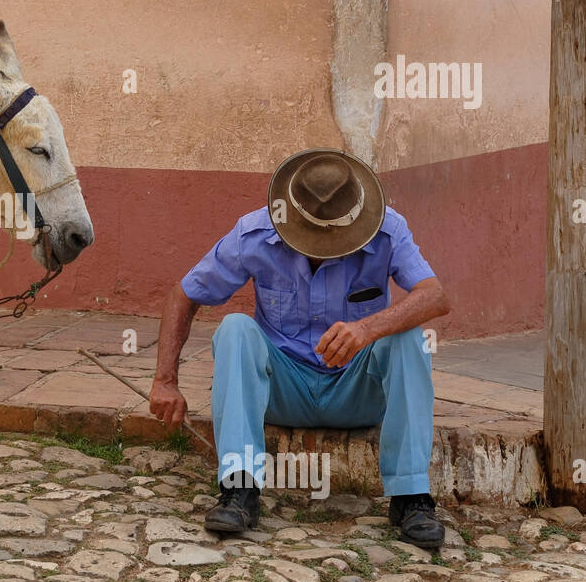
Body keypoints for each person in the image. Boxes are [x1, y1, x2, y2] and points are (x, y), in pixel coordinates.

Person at [149, 148, 450, 548]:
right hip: (282, 391)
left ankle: (411, 497)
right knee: (235, 328)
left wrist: (366, 328)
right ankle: (239, 489)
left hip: (356, 392)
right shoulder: (253, 233)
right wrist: (165, 380)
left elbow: (435, 296)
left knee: (408, 338)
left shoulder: (388, 230)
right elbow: (183, 295)